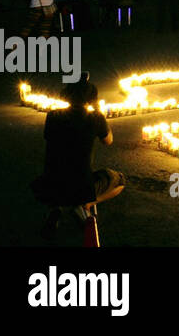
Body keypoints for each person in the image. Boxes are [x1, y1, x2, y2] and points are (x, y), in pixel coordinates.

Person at [31, 78, 126, 241]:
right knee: (120, 181)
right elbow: (108, 140)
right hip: (81, 186)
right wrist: (98, 113)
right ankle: (84, 205)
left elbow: (50, 139)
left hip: (48, 185)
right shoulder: (95, 117)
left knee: (60, 174)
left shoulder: (53, 116)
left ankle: (56, 208)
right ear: (91, 98)